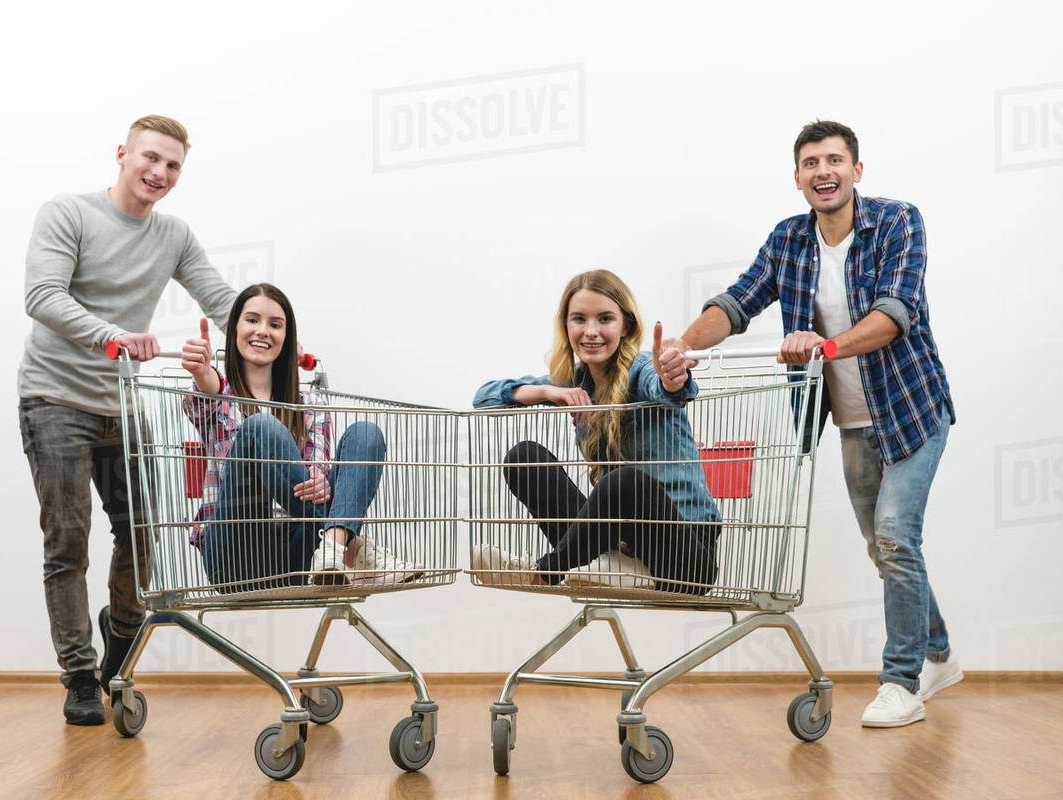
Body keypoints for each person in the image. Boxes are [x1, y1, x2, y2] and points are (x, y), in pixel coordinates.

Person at [656, 120, 961, 727]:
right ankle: (940, 654)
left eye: (835, 160)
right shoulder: (790, 239)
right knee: (884, 547)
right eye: (811, 163)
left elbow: (894, 313)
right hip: (851, 423)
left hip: (912, 410)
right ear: (797, 178)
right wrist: (683, 348)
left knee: (895, 536)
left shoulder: (897, 222)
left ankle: (901, 682)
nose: (824, 171)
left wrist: (824, 347)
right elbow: (737, 303)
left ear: (856, 170)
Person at [18, 115, 239, 725]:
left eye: (172, 166)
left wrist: (275, 335)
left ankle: (118, 644)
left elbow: (221, 299)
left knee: (141, 533)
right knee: (68, 543)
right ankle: (79, 676)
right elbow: (42, 295)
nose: (159, 173)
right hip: (55, 401)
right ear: (122, 153)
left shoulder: (173, 235)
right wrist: (112, 336)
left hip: (121, 408)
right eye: (151, 158)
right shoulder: (68, 213)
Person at [472, 269, 721, 593]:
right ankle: (612, 565)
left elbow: (668, 389)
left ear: (625, 326)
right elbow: (484, 398)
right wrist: (548, 391)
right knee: (524, 458)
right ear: (566, 326)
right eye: (579, 319)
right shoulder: (577, 382)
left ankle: (544, 572)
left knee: (623, 481)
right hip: (619, 545)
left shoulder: (642, 368)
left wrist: (672, 379)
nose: (591, 331)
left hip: (683, 556)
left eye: (605, 319)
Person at [180, 283, 420, 592]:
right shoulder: (220, 397)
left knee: (366, 434)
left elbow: (315, 481)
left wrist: (320, 480)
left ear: (288, 338)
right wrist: (202, 374)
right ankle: (353, 547)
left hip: (300, 555)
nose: (262, 330)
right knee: (261, 427)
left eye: (275, 324)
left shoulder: (311, 406)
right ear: (234, 329)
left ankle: (333, 545)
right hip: (236, 556)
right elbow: (202, 400)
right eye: (252, 320)